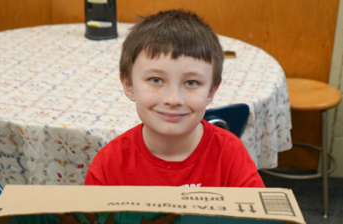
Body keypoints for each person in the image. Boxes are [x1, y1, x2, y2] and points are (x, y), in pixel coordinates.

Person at [84, 10, 265, 188]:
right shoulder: (108, 163)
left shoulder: (231, 154)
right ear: (128, 85)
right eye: (156, 80)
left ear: (211, 91)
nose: (173, 99)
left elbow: (257, 216)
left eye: (191, 82)